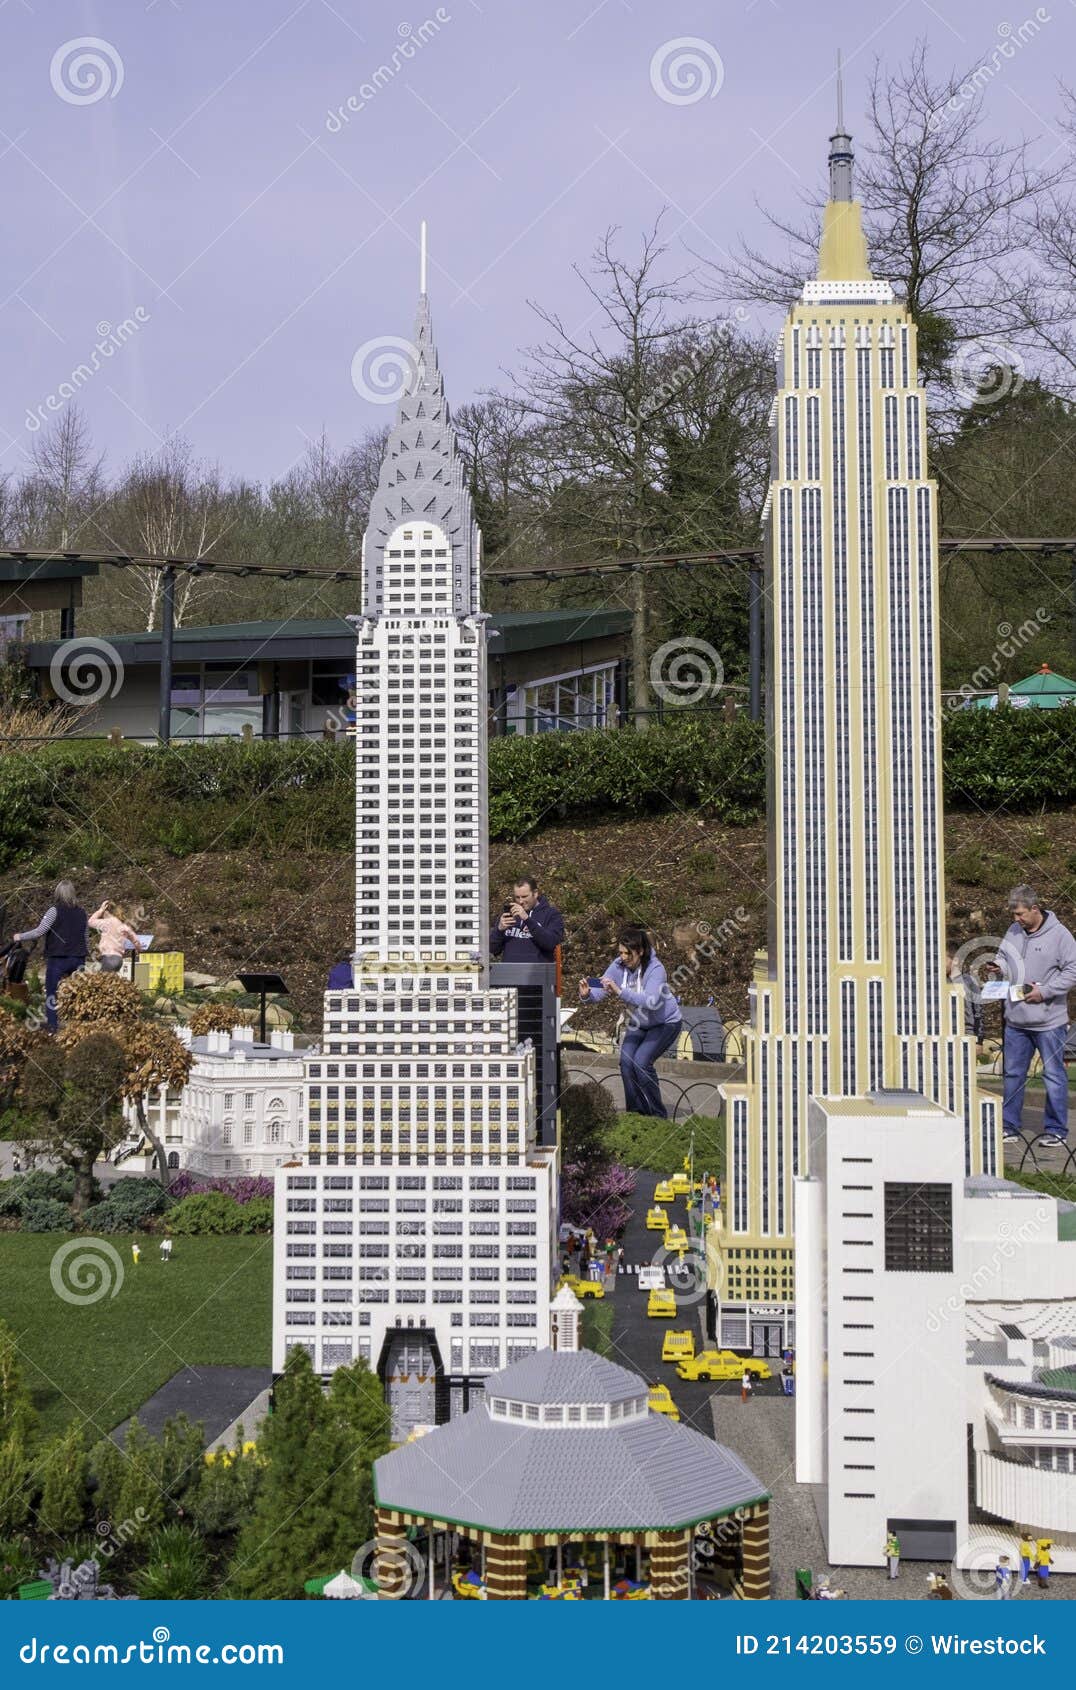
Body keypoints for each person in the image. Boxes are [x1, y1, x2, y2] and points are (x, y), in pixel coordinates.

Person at [988, 886, 1076, 1145]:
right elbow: (1004, 956)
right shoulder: (1014, 930)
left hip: (1049, 1022)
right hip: (1015, 1020)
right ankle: (1009, 1126)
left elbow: (1072, 971)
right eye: (1014, 914)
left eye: (1020, 914)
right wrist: (999, 965)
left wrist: (1045, 991)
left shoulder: (1060, 936)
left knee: (1053, 1076)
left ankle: (1056, 1130)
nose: (1016, 919)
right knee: (1013, 1074)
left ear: (1035, 909)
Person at [580, 926, 683, 1118]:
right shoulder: (619, 965)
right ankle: (636, 1113)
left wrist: (620, 991)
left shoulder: (656, 969)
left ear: (641, 951)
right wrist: (587, 995)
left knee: (641, 1063)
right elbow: (603, 989)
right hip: (639, 1022)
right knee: (626, 1062)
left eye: (628, 953)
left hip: (664, 1023)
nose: (623, 957)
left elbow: (650, 1002)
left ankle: (657, 1115)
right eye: (620, 952)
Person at [15, 881, 88, 1032]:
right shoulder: (82, 913)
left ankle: (53, 1028)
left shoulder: (54, 911)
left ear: (58, 893)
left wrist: (20, 936)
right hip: (79, 958)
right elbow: (85, 937)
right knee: (78, 994)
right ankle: (79, 1027)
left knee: (52, 993)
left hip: (58, 959)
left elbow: (39, 931)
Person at [490, 876, 565, 963]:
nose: (521, 901)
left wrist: (527, 920)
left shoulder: (551, 914)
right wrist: (499, 930)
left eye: (525, 896)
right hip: (510, 973)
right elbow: (493, 950)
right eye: (517, 897)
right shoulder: (509, 915)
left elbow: (551, 944)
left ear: (535, 893)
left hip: (537, 973)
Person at [88, 901, 143, 973]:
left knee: (103, 981)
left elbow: (90, 922)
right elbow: (136, 941)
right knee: (113, 981)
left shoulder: (106, 923)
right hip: (119, 960)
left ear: (106, 911)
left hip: (107, 958)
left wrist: (100, 910)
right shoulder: (124, 925)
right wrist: (139, 950)